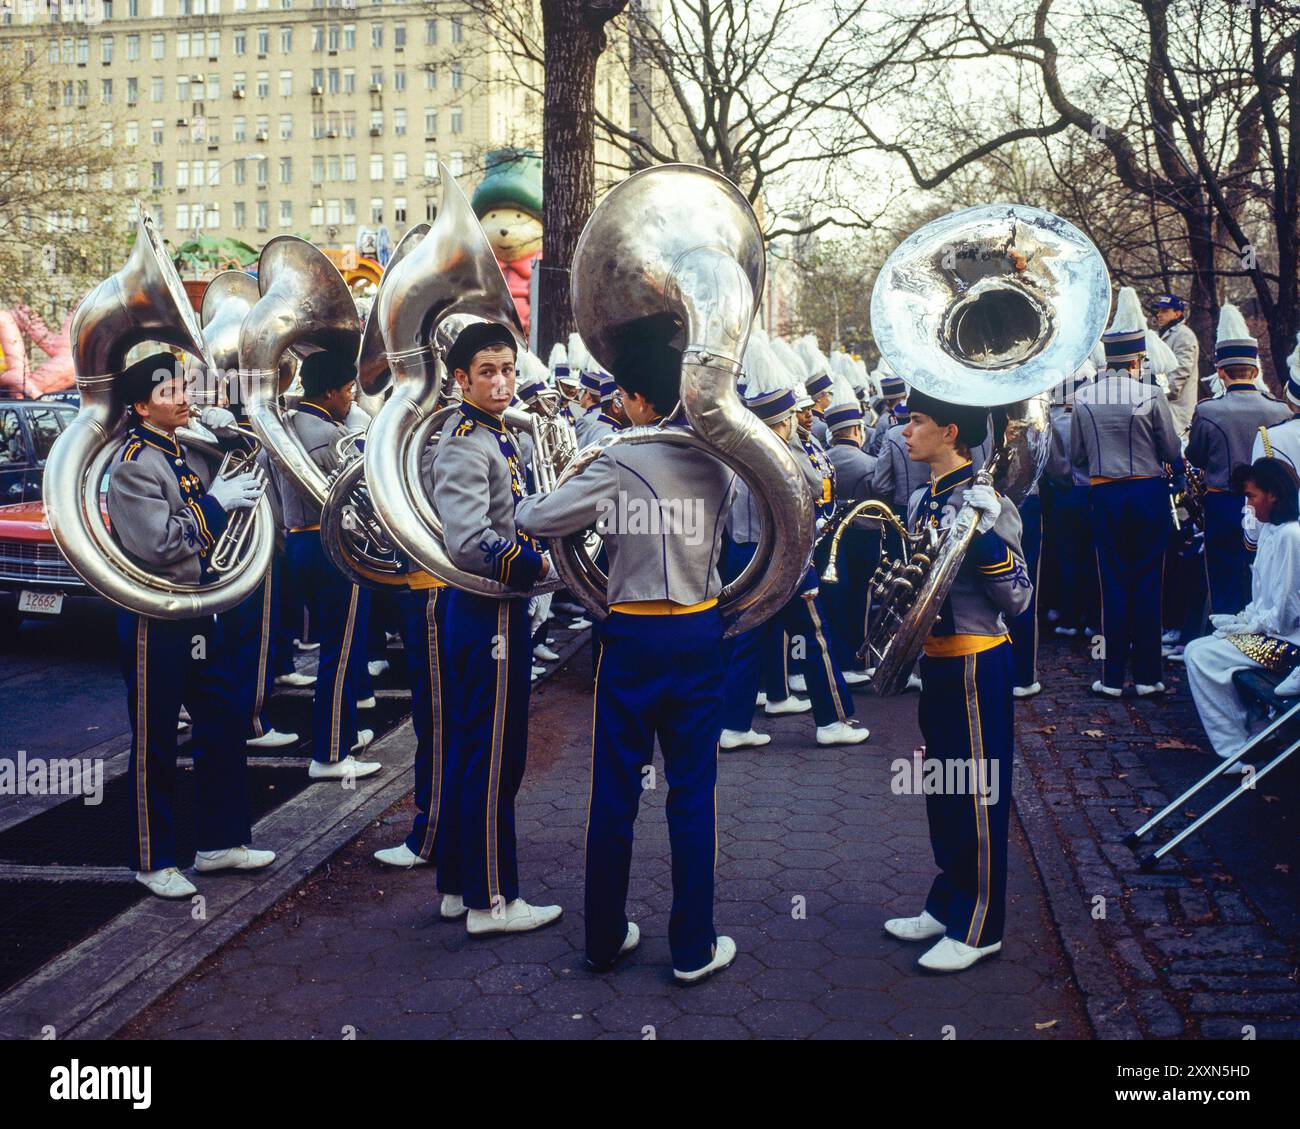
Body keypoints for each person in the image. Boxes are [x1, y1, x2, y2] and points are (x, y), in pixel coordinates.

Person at [515, 336, 740, 985]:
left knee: (615, 792)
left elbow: (539, 516)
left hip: (634, 637)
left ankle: (604, 938)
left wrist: (541, 490)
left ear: (641, 400)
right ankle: (694, 946)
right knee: (693, 794)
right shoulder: (721, 461)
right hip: (701, 629)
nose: (617, 403)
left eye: (624, 393)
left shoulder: (619, 461)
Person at [107, 353, 274, 898]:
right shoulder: (136, 463)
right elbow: (157, 545)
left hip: (202, 608)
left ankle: (220, 842)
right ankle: (153, 859)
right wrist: (216, 504)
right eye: (168, 392)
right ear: (139, 406)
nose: (183, 397)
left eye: (183, 387)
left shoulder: (184, 448)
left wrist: (232, 438)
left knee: (222, 722)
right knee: (155, 739)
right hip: (158, 617)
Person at [882, 389, 1032, 973]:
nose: (905, 431)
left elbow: (1018, 597)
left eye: (915, 422)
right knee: (944, 789)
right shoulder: (922, 498)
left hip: (976, 660)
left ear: (951, 432)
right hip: (936, 662)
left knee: (978, 794)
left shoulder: (990, 501)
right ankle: (948, 903)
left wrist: (986, 535)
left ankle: (980, 924)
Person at [432, 320, 562, 935]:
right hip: (486, 611)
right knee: (492, 758)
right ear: (461, 378)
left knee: (473, 752)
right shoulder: (465, 441)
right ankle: (491, 901)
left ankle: (460, 888)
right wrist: (541, 567)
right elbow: (467, 541)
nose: (503, 380)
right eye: (487, 371)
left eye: (508, 369)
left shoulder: (496, 434)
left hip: (492, 609)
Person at [718, 352, 869, 749]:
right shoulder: (785, 449)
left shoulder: (736, 446)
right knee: (816, 637)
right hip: (786, 559)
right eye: (791, 418)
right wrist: (797, 442)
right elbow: (812, 482)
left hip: (743, 556)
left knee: (746, 639)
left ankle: (733, 725)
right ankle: (832, 720)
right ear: (782, 420)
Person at [1070, 288, 1183, 698]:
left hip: (1105, 495)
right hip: (1149, 493)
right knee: (1149, 580)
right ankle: (1150, 676)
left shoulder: (1083, 398)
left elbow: (1078, 456)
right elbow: (1172, 450)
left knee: (1112, 582)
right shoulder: (1151, 393)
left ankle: (1113, 676)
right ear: (1137, 360)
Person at [273, 352, 380, 779]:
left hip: (302, 542)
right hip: (331, 543)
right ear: (331, 391)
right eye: (349, 391)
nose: (351, 399)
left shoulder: (289, 425)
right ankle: (331, 753)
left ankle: (344, 733)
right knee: (341, 650)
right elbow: (363, 491)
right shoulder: (324, 433)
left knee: (337, 648)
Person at [1184, 458, 1300, 772]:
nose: (1247, 503)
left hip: (1289, 646)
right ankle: (1252, 728)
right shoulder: (1271, 531)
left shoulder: (1291, 536)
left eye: (1252, 496)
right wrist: (1242, 621)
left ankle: (1235, 747)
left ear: (1273, 495)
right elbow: (1262, 598)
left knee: (1200, 657)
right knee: (1197, 649)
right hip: (1271, 635)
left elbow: (1286, 612)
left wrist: (1249, 626)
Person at [1185, 304, 1290, 616]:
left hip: (1221, 504)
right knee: (1262, 576)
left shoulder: (1207, 410)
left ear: (1220, 372)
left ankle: (1224, 641)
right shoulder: (1280, 410)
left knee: (1223, 578)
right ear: (1255, 371)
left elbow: (1195, 456)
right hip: (1268, 506)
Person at [1149, 293, 1201, 438]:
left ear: (1177, 313)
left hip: (1176, 409)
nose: (1159, 315)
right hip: (1164, 406)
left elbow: (1180, 373)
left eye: (1164, 311)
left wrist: (1157, 396)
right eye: (1159, 311)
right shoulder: (1163, 334)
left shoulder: (1184, 335)